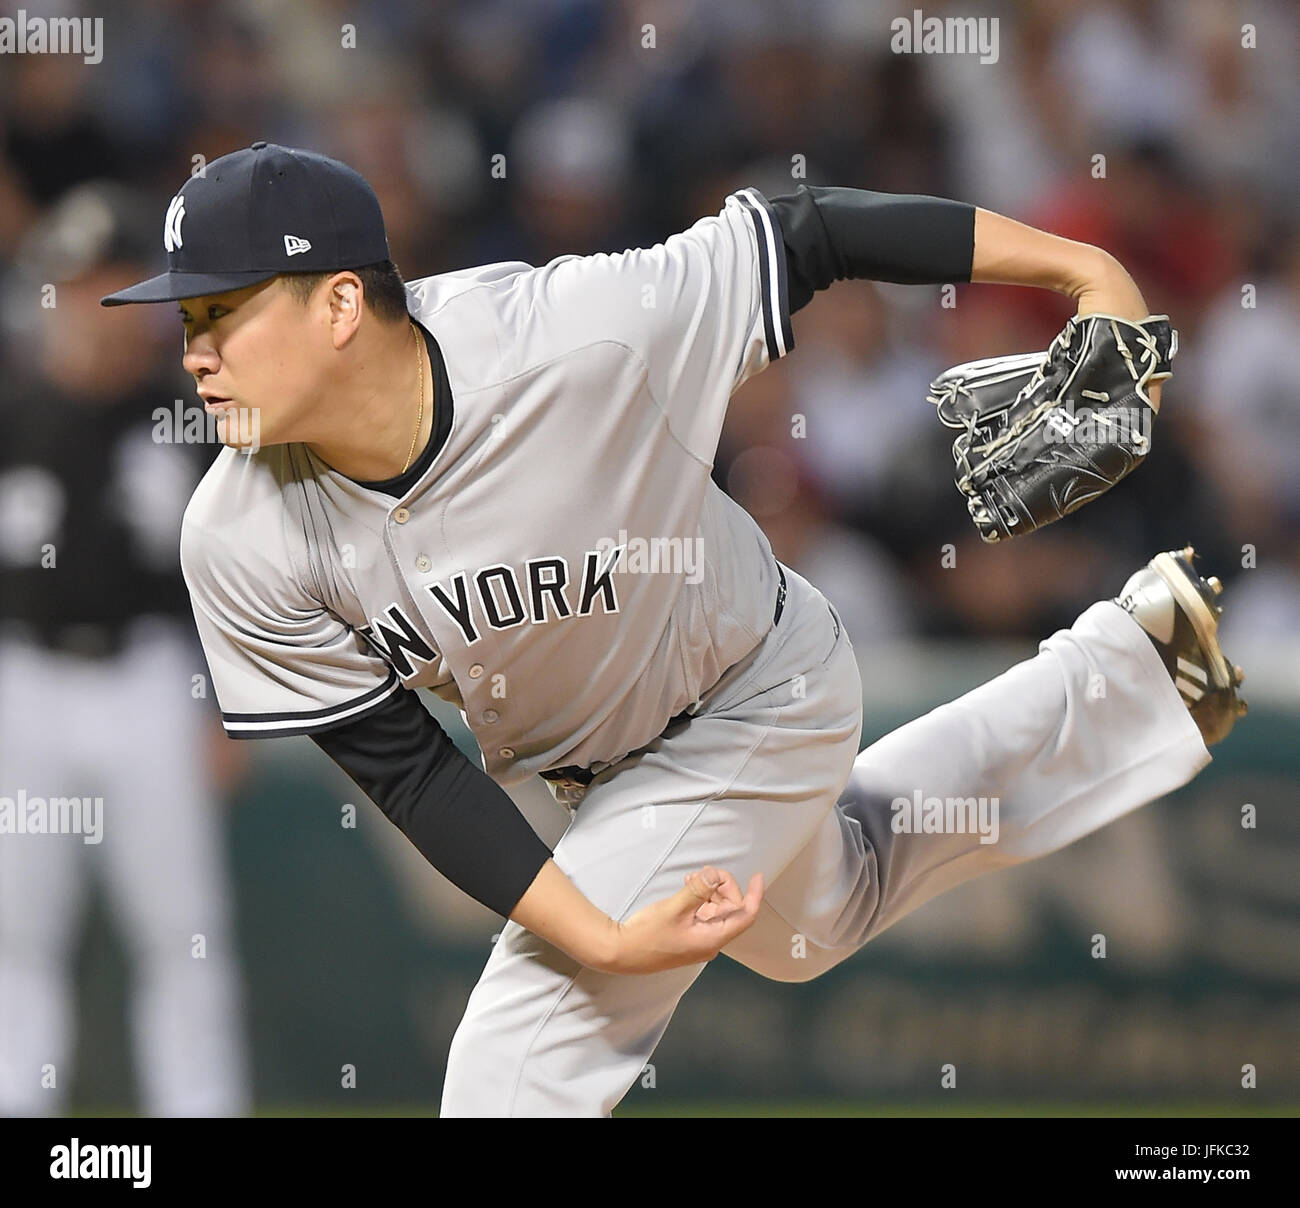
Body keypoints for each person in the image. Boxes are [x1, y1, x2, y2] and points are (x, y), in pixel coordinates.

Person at [100, 142, 1243, 1117]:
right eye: (186, 316)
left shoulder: (576, 336)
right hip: (600, 769)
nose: (192, 348)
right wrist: (594, 928)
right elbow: (406, 772)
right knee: (819, 913)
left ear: (340, 302)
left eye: (221, 311)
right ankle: (1149, 672)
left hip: (750, 686)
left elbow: (806, 230)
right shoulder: (238, 533)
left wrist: (1081, 267)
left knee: (514, 1058)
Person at [0, 183, 250, 1116]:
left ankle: (198, 1106)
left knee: (180, 928)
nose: (101, 311)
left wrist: (227, 709)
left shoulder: (195, 422)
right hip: (22, 676)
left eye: (118, 289)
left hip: (154, 676)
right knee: (18, 929)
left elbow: (238, 585)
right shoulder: (14, 415)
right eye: (80, 287)